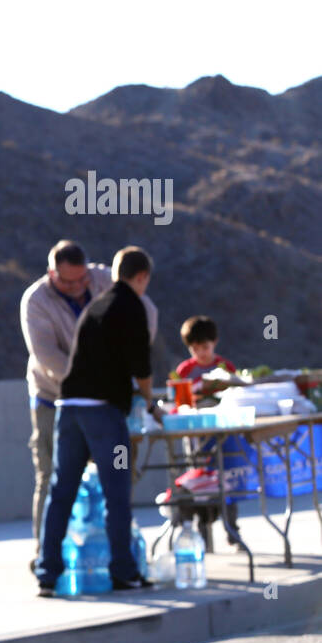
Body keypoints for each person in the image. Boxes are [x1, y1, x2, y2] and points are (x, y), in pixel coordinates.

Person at [34, 246, 162, 596]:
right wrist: (149, 402)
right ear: (142, 277)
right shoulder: (131, 307)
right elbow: (141, 366)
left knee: (62, 490)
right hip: (103, 413)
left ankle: (47, 574)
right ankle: (124, 571)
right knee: (117, 491)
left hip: (69, 408)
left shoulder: (96, 306)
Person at [173, 315, 242, 549]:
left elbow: (236, 395)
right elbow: (178, 402)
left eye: (205, 347)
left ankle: (233, 529)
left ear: (214, 343)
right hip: (195, 435)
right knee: (199, 482)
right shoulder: (185, 371)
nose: (201, 353)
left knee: (227, 479)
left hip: (223, 434)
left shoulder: (225, 368)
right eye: (195, 348)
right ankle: (202, 535)